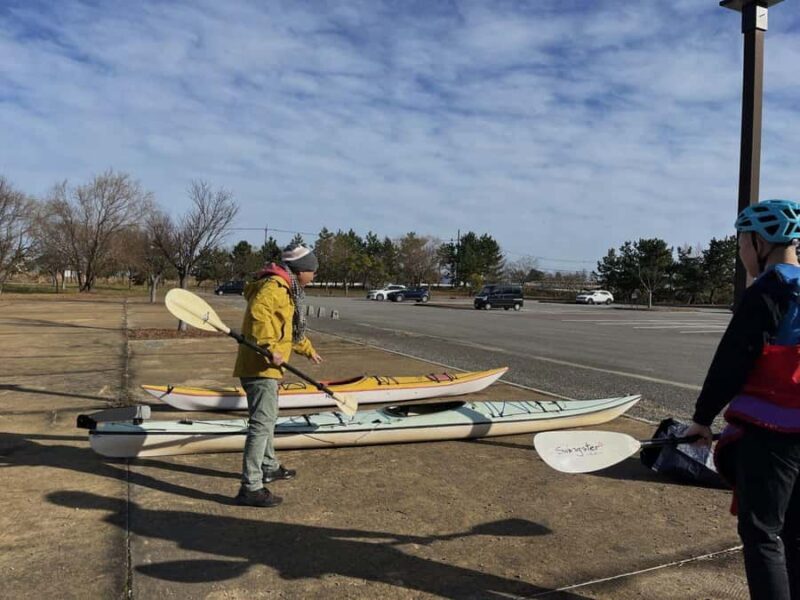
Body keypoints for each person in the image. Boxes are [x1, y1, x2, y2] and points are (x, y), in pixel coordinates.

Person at [686, 199, 800, 599]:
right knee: (795, 530)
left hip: (772, 434)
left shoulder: (768, 290)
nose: (741, 254)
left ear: (760, 242)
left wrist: (702, 419)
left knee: (762, 532)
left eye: (741, 245)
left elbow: (733, 361)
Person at [232, 243, 323, 507]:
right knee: (261, 424)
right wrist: (270, 348)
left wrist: (308, 350)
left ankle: (269, 466)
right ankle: (251, 487)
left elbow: (288, 331)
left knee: (268, 419)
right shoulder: (275, 287)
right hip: (260, 367)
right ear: (301, 270)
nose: (314, 276)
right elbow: (258, 315)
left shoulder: (285, 288)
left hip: (264, 367)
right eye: (313, 271)